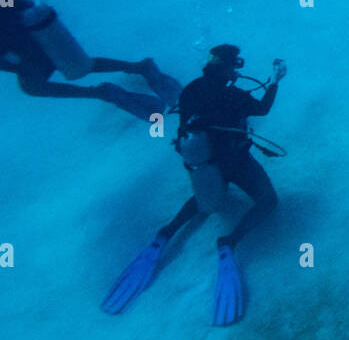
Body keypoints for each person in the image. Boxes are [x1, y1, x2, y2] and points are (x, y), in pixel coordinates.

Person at [100, 45, 287, 325]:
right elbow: (262, 108)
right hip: (235, 161)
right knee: (268, 201)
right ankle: (228, 243)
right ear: (227, 67)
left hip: (203, 165)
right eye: (234, 67)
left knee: (205, 199)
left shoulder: (190, 90)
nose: (236, 72)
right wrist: (275, 80)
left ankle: (164, 235)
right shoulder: (232, 94)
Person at [0, 0, 178, 121]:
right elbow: (24, 5)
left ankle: (100, 92)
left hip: (28, 62)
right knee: (86, 65)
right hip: (47, 43)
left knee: (32, 87)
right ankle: (139, 67)